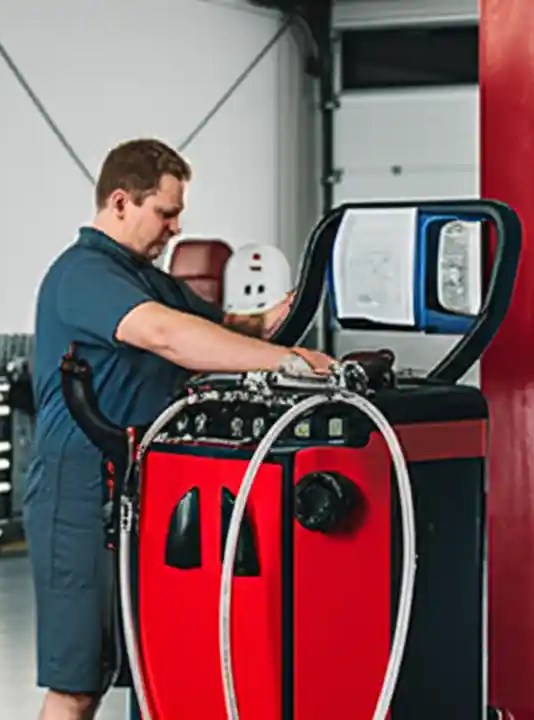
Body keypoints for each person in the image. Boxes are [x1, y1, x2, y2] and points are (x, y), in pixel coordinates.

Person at [24, 138, 334, 720]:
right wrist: (289, 362)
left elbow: (226, 326)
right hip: (80, 492)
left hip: (143, 490)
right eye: (165, 213)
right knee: (78, 680)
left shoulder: (144, 277)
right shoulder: (85, 275)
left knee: (152, 666)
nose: (174, 228)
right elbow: (171, 337)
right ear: (120, 202)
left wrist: (283, 313)